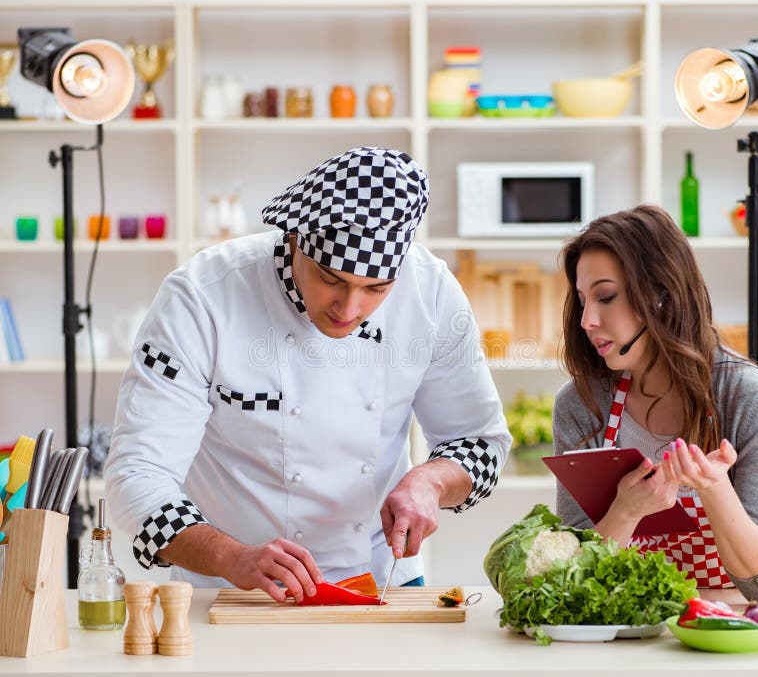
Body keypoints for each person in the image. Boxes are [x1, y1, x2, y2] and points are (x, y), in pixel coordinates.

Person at [105, 147, 511, 602]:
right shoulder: (202, 297)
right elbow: (136, 474)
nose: (349, 308)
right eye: (331, 280)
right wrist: (230, 557)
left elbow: (480, 442)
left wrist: (431, 481)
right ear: (295, 239)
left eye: (376, 289)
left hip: (383, 581)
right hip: (232, 592)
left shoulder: (431, 292)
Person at [553, 204, 758, 603]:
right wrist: (626, 511)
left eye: (606, 297)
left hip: (729, 627)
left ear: (661, 296)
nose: (587, 320)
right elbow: (568, 582)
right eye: (582, 300)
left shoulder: (748, 397)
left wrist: (714, 488)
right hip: (627, 626)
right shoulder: (581, 404)